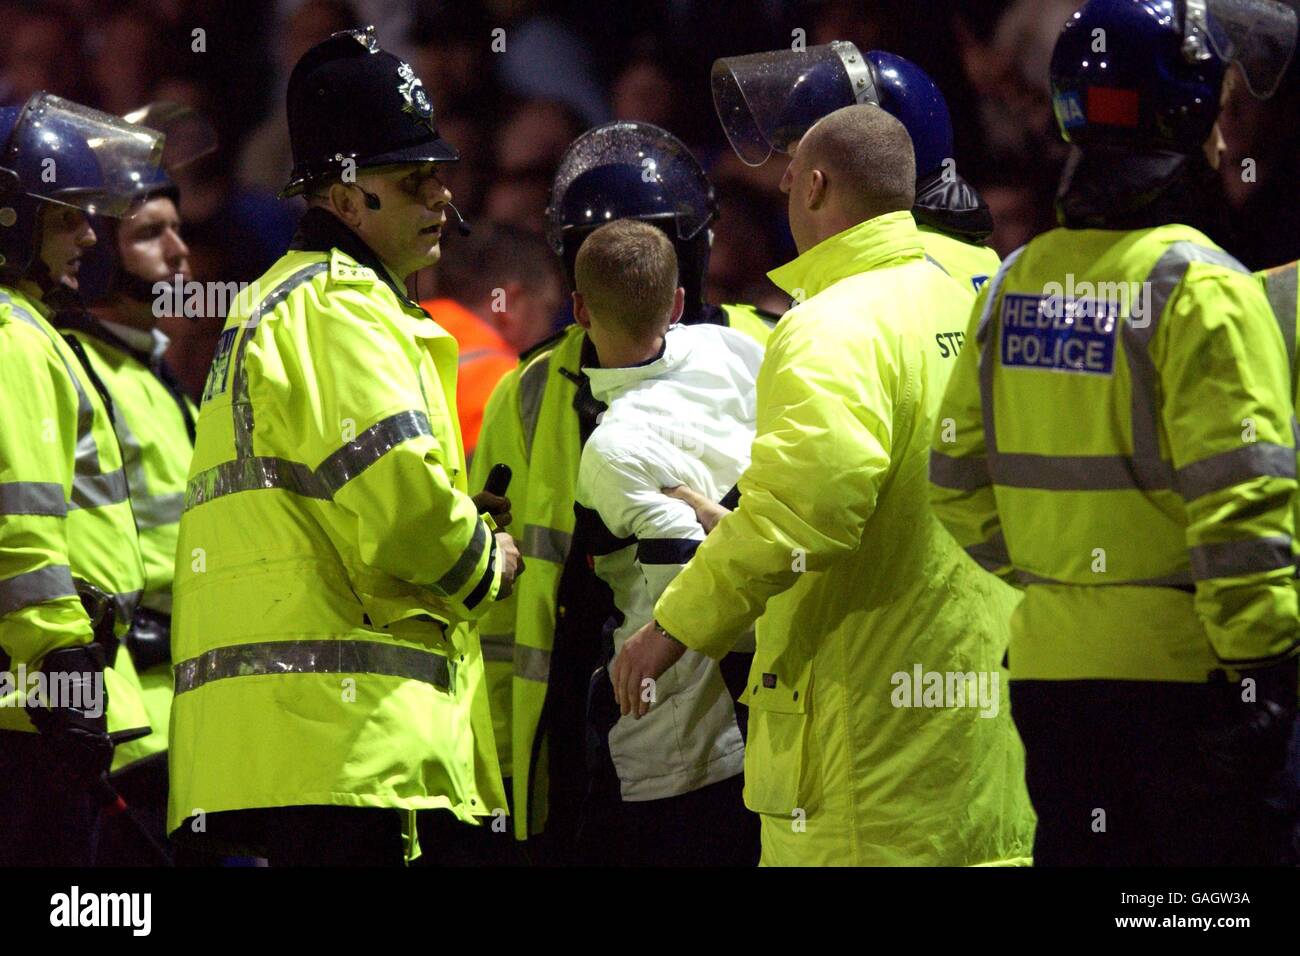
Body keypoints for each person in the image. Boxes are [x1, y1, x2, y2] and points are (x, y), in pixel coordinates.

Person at [614, 103, 1035, 866]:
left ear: (813, 187)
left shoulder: (831, 323)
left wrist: (667, 630)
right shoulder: (989, 287)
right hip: (996, 738)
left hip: (867, 766)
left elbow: (806, 515)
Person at [929, 0, 1299, 865]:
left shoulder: (1014, 285)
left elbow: (952, 483)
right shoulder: (1202, 287)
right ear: (1196, 114)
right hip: (1191, 680)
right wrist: (1263, 669)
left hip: (1053, 676)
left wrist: (1065, 583)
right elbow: (1242, 503)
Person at [167, 27, 519, 866]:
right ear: (346, 194)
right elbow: (402, 509)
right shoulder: (336, 305)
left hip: (289, 746)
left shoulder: (281, 301)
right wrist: (486, 558)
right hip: (348, 747)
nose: (441, 198)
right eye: (413, 180)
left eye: (440, 177)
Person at [469, 120, 777, 860]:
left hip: (740, 729)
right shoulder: (534, 390)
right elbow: (501, 599)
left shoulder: (774, 349)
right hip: (596, 746)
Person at [0, 93, 163, 866]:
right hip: (31, 707)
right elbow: (21, 527)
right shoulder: (16, 339)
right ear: (13, 220)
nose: (89, 235)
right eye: (66, 216)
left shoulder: (26, 329)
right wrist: (65, 670)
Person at [571, 219, 761, 866]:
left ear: (578, 310)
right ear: (678, 303)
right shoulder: (735, 353)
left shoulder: (613, 449)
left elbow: (699, 613)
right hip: (768, 732)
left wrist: (712, 525)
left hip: (676, 756)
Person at [48, 105, 207, 865]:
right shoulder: (77, 366)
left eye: (177, 229)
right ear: (101, 256)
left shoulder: (152, 372)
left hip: (183, 715)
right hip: (126, 721)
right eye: (149, 234)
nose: (179, 253)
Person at [711, 42, 1000, 291]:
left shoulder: (863, 283)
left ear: (876, 148)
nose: (786, 182)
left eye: (801, 156)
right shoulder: (988, 264)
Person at [422, 222, 565, 459]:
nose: (548, 331)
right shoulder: (503, 380)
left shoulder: (384, 332)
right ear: (511, 303)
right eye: (547, 309)